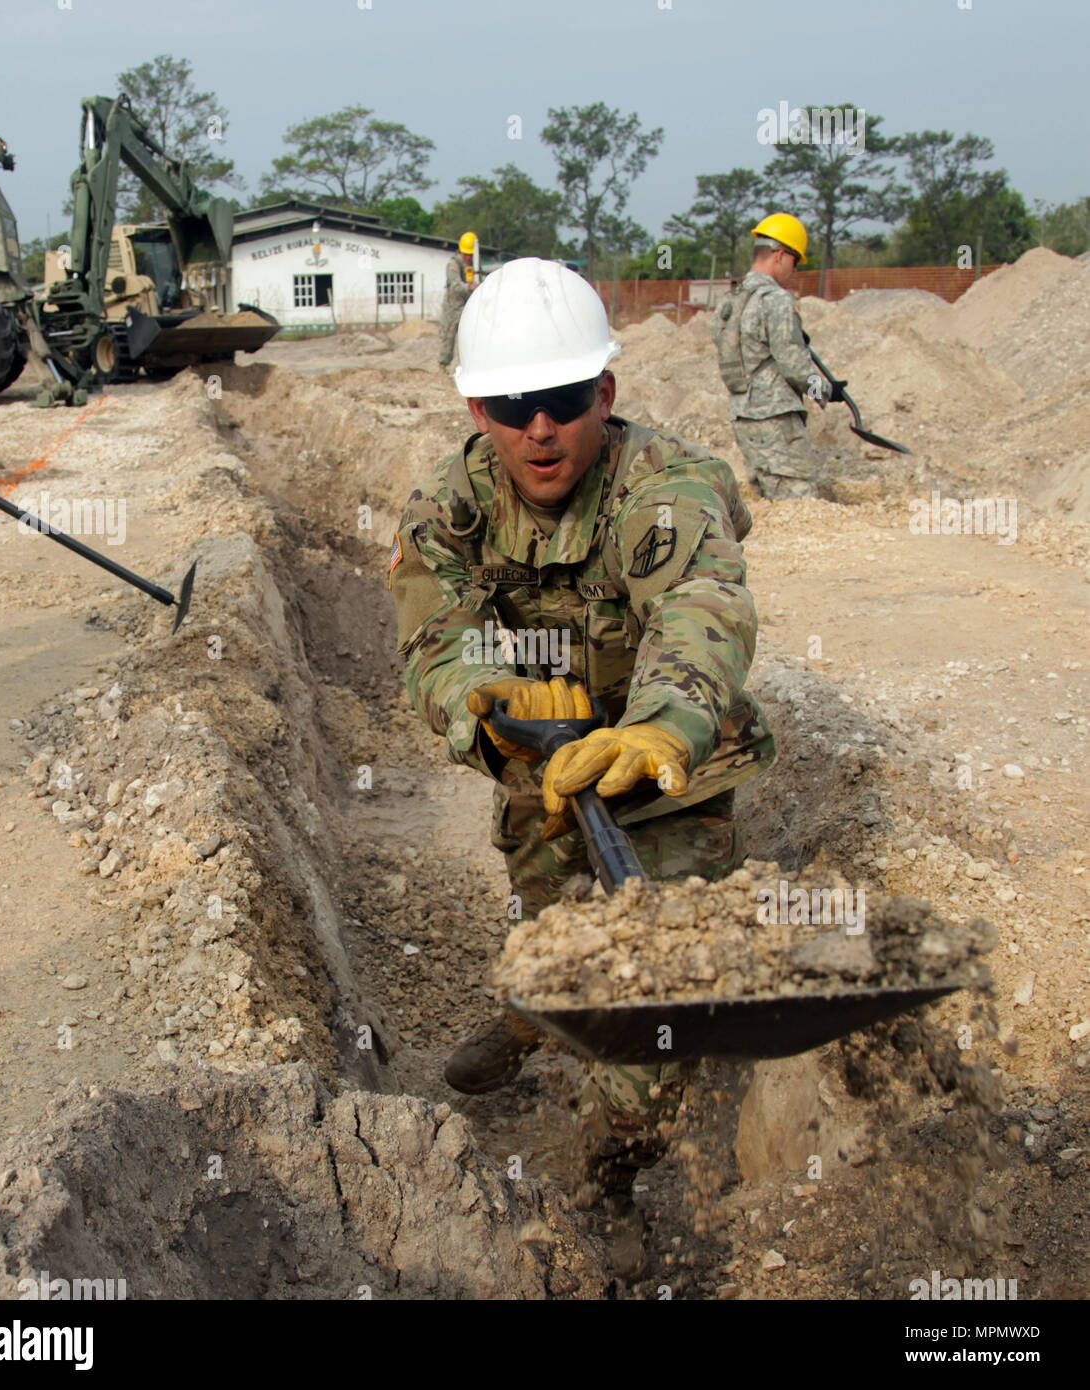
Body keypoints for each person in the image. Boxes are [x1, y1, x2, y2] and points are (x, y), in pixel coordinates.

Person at [388, 257, 775, 1277]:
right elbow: (432, 637)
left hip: (662, 768)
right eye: (511, 406)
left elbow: (702, 603)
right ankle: (530, 1013)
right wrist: (487, 701)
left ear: (604, 391)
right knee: (546, 916)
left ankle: (608, 1172)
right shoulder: (450, 505)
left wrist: (656, 729)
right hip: (542, 759)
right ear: (477, 403)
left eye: (562, 400)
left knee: (654, 1001)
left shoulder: (665, 486)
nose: (539, 430)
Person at [711, 213, 829, 500]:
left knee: (769, 501)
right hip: (776, 418)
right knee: (798, 503)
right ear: (779, 255)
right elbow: (792, 362)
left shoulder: (731, 300)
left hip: (742, 415)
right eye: (795, 260)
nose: (796, 269)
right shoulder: (775, 300)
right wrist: (824, 389)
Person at [437, 231, 478, 367]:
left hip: (467, 308)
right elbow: (455, 285)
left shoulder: (475, 266)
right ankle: (442, 367)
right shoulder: (453, 264)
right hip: (452, 308)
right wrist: (469, 287)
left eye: (470, 255)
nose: (468, 258)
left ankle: (465, 367)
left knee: (467, 341)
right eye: (466, 254)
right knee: (448, 339)